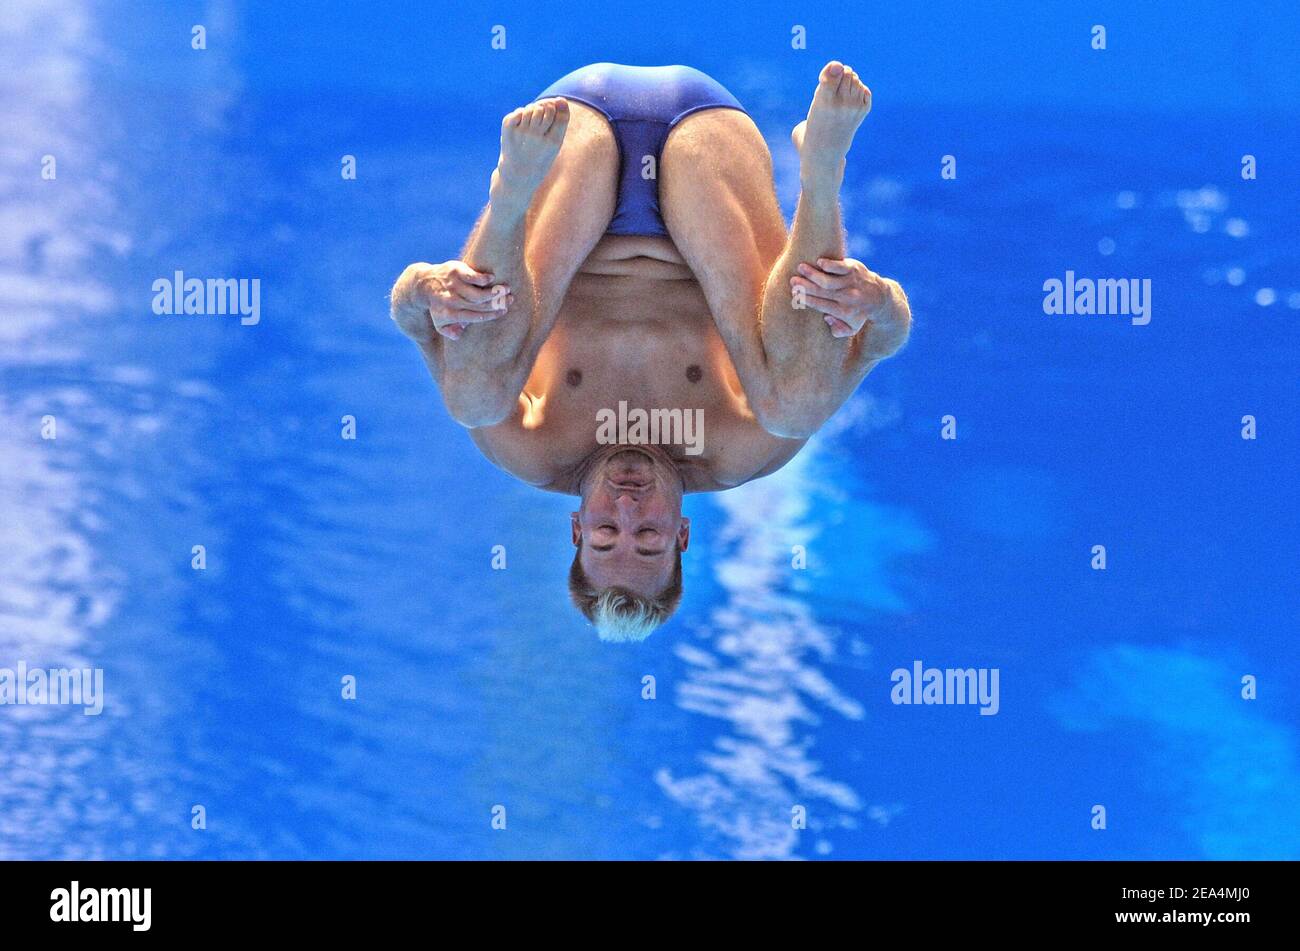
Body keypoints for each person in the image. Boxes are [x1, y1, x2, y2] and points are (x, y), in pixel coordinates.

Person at [390, 61, 911, 641]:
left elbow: (412, 318)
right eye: (648, 538)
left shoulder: (533, 448)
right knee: (794, 405)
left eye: (607, 532)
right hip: (708, 152)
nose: (628, 508)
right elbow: (881, 340)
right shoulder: (735, 451)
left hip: (574, 151)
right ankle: (821, 174)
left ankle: (508, 198)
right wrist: (877, 296)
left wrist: (426, 286)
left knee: (474, 401)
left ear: (577, 529)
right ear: (682, 534)